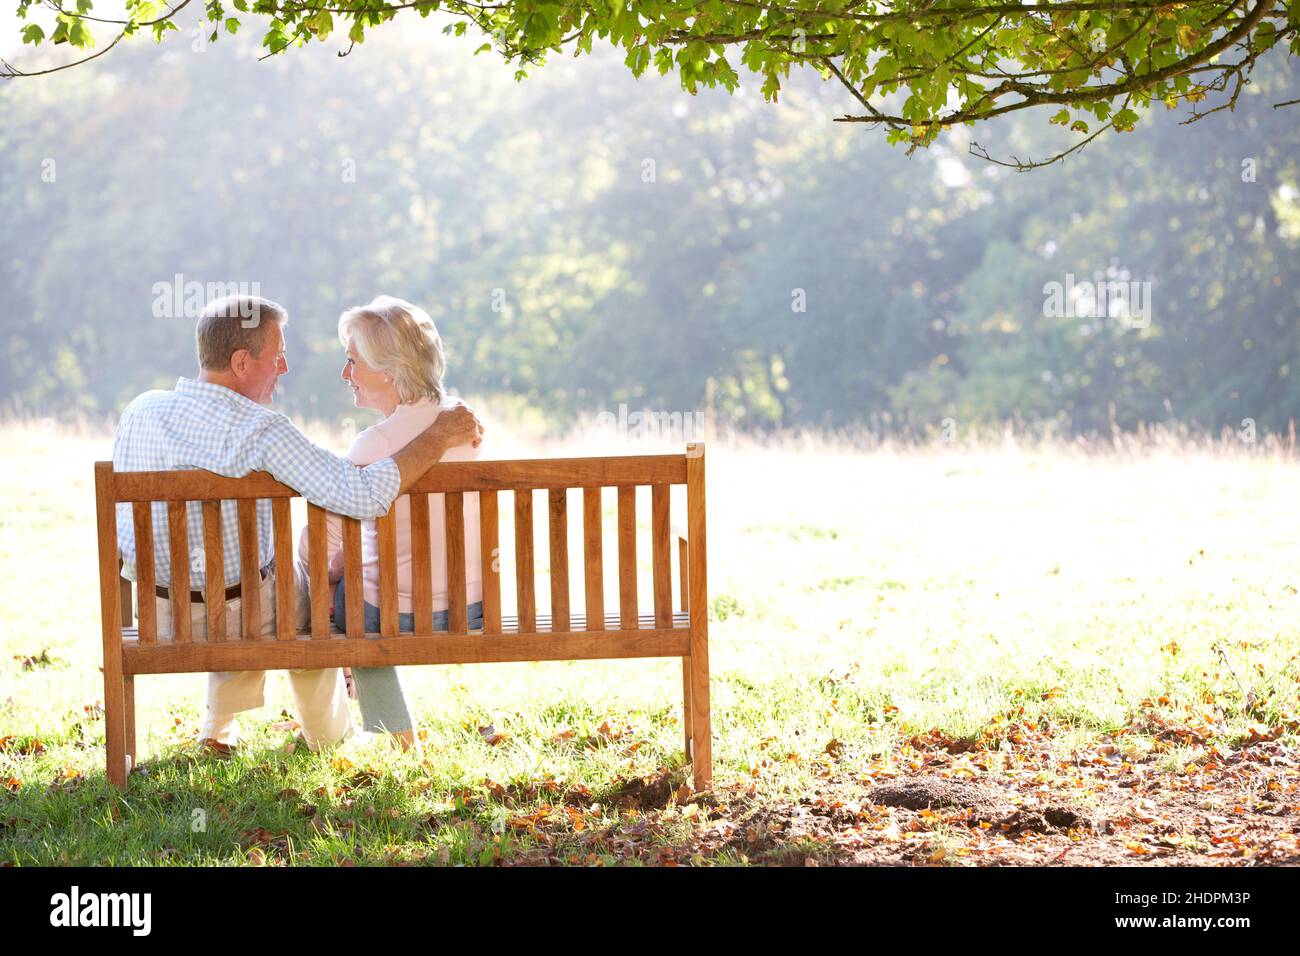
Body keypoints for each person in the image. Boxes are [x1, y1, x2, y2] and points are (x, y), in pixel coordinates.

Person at [113, 294, 483, 754]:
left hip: (158, 614)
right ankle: (327, 737)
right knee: (302, 601)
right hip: (242, 612)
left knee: (250, 581)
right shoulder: (262, 430)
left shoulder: (140, 411)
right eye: (278, 356)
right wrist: (437, 435)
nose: (285, 368)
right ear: (242, 362)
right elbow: (361, 494)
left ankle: (217, 732)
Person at [298, 296, 484, 756]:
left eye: (352, 361)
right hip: (474, 605)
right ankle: (359, 727)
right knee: (352, 582)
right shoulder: (470, 424)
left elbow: (322, 549)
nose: (346, 374)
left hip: (394, 614)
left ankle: (394, 737)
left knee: (341, 599)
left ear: (388, 369)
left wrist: (331, 569)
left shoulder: (373, 444)